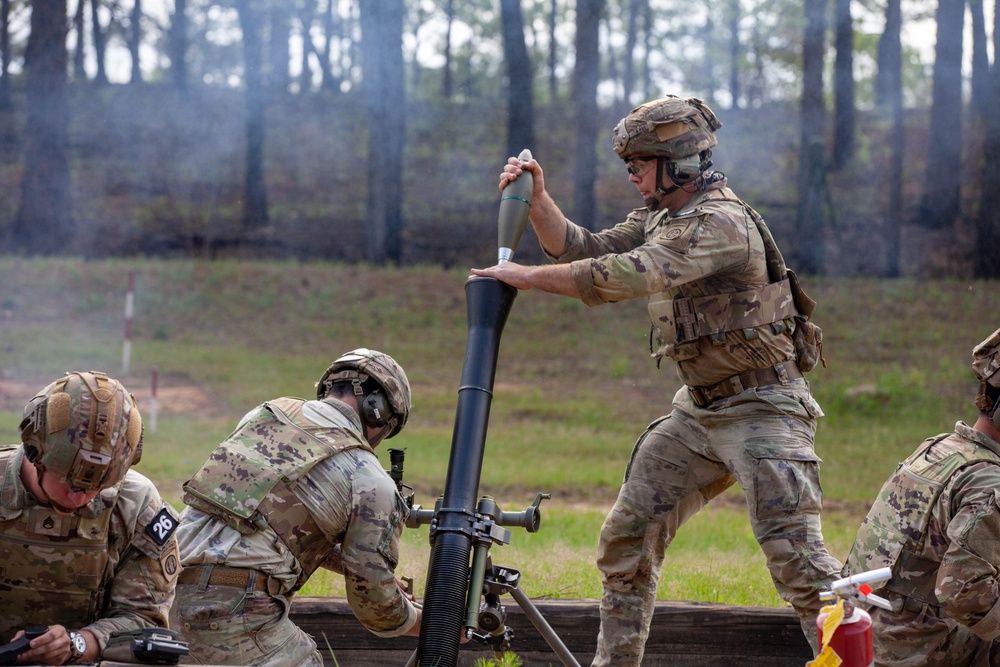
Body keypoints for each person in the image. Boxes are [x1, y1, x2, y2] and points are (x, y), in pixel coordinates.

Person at [472, 95, 842, 664]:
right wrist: (539, 201)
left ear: (677, 164)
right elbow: (585, 249)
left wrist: (522, 276)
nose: (633, 178)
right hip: (698, 413)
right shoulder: (665, 217)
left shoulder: (719, 222)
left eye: (640, 166)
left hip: (764, 408)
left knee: (802, 567)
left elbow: (627, 273)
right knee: (627, 541)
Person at [170, 348, 421, 666]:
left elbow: (264, 521)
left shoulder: (264, 415)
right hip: (234, 614)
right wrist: (429, 623)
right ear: (379, 411)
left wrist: (351, 564)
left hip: (167, 594)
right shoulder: (368, 476)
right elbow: (377, 610)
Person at [0, 370, 180, 666]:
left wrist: (78, 642)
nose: (80, 497)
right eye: (69, 483)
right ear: (36, 453)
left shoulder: (134, 504)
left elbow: (143, 620)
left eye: (97, 487)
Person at [844, 327, 1000, 666]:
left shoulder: (941, 448)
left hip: (866, 627)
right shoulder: (990, 482)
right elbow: (964, 593)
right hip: (910, 648)